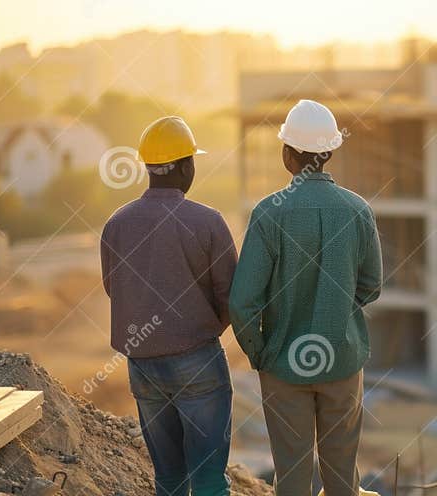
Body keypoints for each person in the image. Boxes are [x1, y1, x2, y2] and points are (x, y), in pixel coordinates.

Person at [229, 99, 382, 496]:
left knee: (292, 477)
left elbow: (243, 302)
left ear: (287, 154)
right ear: (329, 152)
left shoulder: (268, 214)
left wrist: (262, 353)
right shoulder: (357, 210)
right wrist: (336, 311)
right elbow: (372, 285)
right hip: (344, 362)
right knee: (342, 477)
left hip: (283, 366)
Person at [101, 116, 237, 496]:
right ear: (184, 166)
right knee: (209, 479)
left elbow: (115, 288)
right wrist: (204, 326)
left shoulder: (117, 223)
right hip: (198, 358)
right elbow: (231, 296)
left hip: (142, 363)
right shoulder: (208, 221)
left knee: (169, 479)